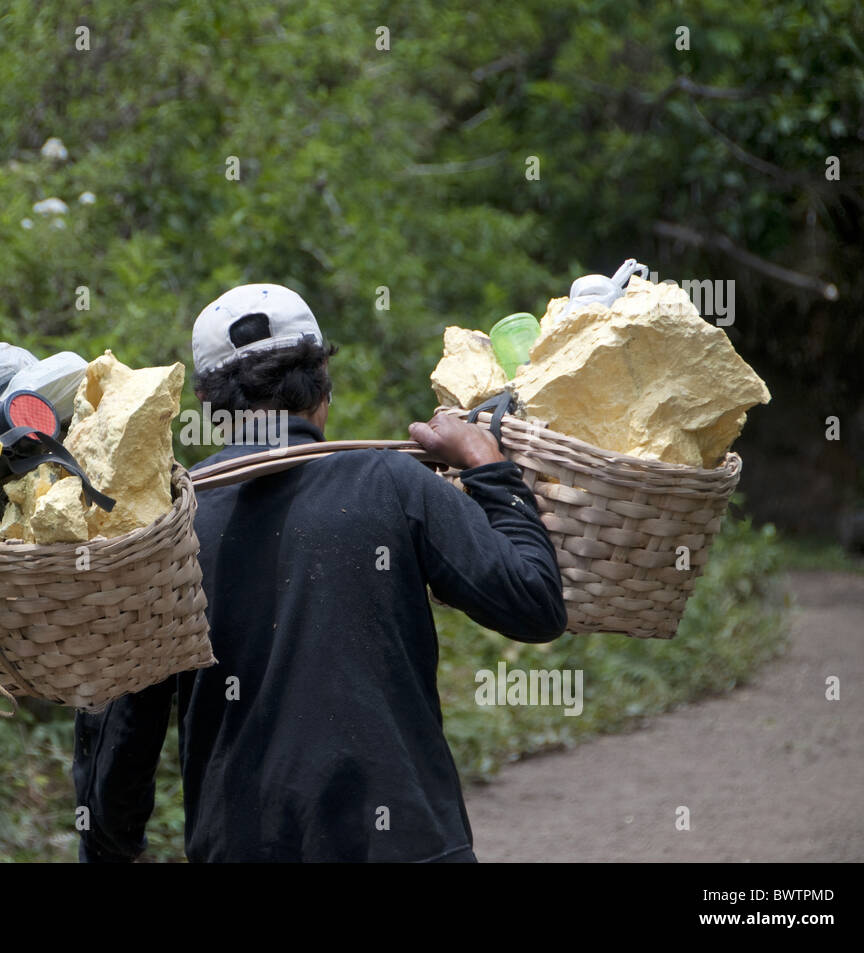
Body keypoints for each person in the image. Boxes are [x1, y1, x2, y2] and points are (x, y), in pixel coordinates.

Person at [73, 283, 567, 862]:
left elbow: (124, 731)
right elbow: (535, 605)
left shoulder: (164, 530)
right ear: (322, 390)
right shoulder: (393, 484)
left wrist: (108, 845)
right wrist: (488, 465)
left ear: (208, 405)